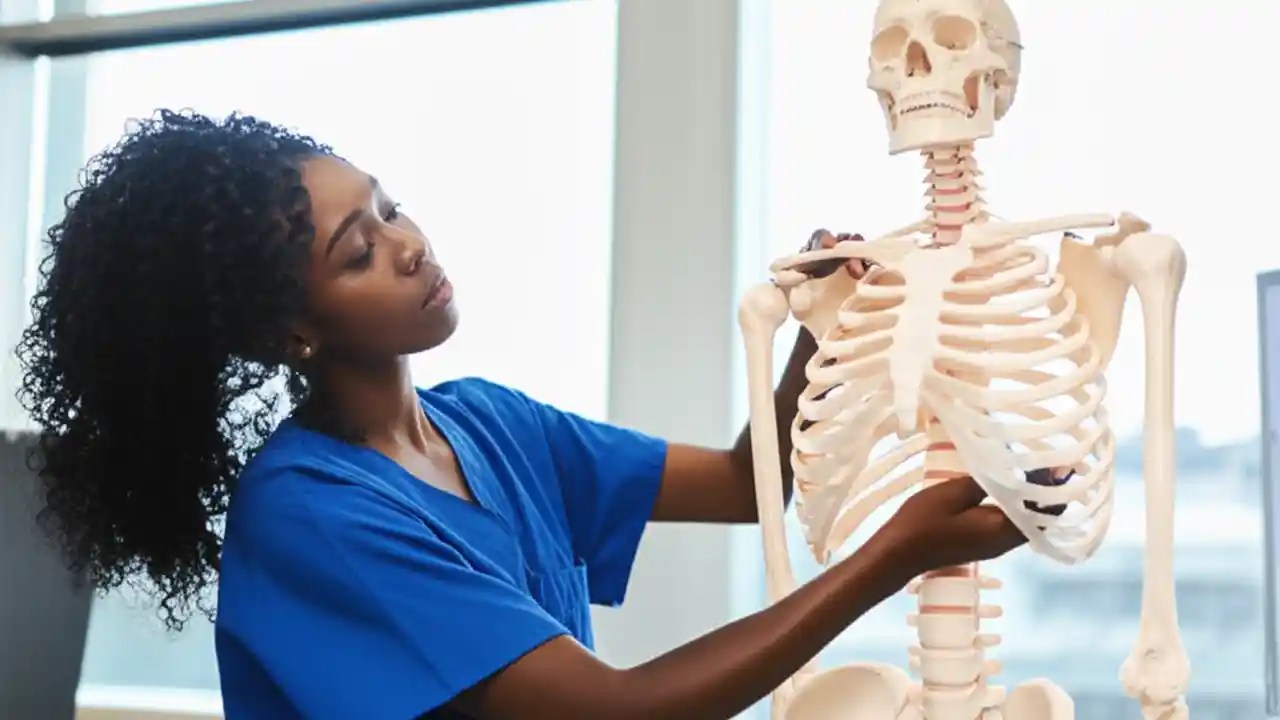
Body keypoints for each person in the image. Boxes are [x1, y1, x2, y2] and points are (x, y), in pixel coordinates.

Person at [15, 109, 1027, 720]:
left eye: (388, 207)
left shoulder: (488, 424)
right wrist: (889, 558)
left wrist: (821, 336)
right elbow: (615, 714)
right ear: (292, 331)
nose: (407, 245)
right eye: (356, 254)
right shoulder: (309, 514)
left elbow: (736, 480)